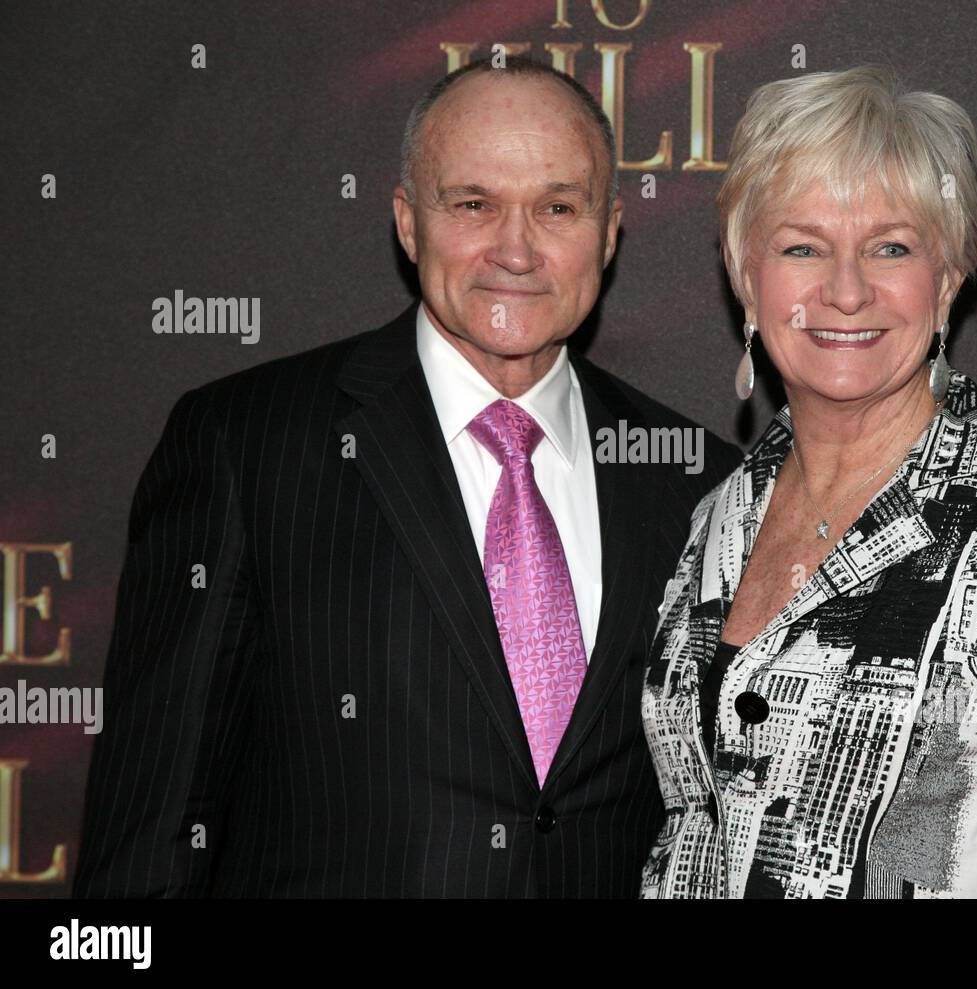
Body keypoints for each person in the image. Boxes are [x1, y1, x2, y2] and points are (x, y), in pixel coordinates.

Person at [72, 56, 740, 898]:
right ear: (407, 222)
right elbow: (152, 831)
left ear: (608, 232)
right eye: (473, 204)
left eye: (558, 207)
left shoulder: (700, 481)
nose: (517, 248)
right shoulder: (245, 444)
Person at [639, 64, 977, 898]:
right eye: (802, 246)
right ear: (746, 276)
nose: (847, 289)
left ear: (949, 279)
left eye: (891, 247)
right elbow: (690, 825)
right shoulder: (720, 516)